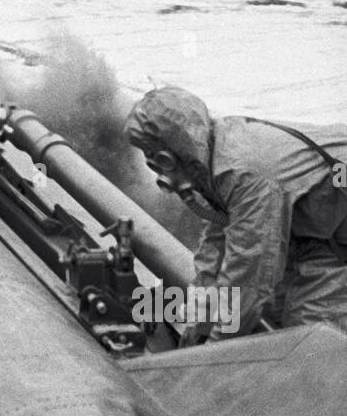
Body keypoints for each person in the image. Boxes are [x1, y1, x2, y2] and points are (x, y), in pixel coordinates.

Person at [125, 86, 347, 341]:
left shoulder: (245, 174)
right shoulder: (213, 157)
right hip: (318, 228)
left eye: (154, 155)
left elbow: (248, 273)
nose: (153, 165)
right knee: (272, 311)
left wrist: (215, 345)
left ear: (173, 151)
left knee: (310, 335)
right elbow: (217, 245)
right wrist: (198, 322)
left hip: (335, 235)